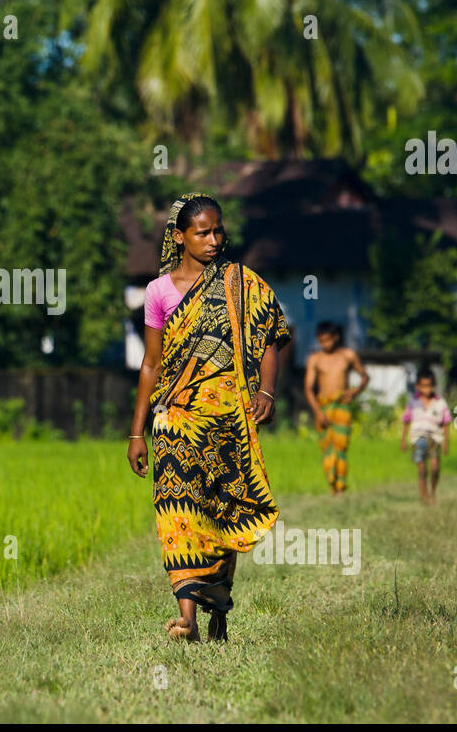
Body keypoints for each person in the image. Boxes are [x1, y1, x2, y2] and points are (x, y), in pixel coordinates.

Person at [127, 193, 292, 643]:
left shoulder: (243, 284)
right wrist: (136, 431)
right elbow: (151, 363)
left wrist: (266, 390)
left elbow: (271, 340)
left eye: (218, 231)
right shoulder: (158, 292)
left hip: (228, 420)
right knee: (176, 508)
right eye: (202, 232)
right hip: (175, 418)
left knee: (223, 510)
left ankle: (218, 602)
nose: (214, 239)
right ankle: (188, 617)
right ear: (179, 237)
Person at [303, 321, 369, 495]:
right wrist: (317, 412)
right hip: (323, 406)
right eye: (321, 341)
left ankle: (340, 486)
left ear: (336, 337)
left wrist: (354, 392)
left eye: (328, 340)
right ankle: (331, 485)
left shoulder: (348, 355)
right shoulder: (315, 358)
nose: (325, 344)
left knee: (341, 447)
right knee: (327, 448)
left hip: (342, 406)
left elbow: (364, 376)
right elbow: (308, 389)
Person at [400, 367, 450, 506]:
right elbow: (406, 421)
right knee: (422, 469)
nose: (426, 389)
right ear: (417, 386)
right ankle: (424, 497)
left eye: (429, 386)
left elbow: (446, 423)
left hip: (434, 437)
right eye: (423, 386)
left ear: (433, 386)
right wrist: (403, 441)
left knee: (435, 468)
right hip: (417, 438)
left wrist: (446, 443)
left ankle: (432, 492)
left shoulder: (440, 403)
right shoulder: (413, 403)